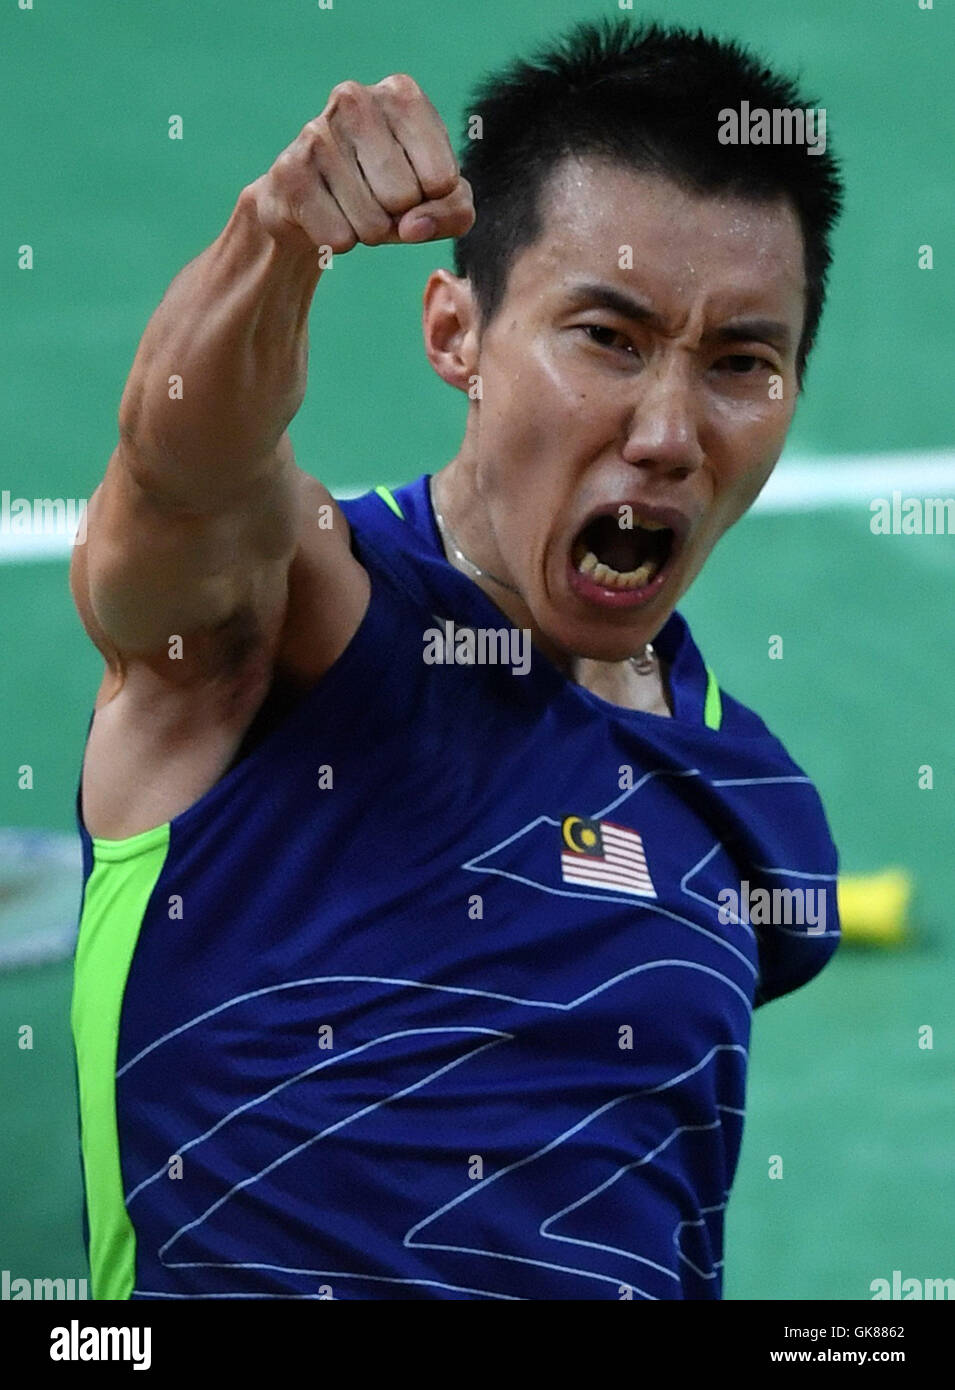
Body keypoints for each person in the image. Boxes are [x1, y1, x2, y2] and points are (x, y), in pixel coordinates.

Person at [69, 17, 844, 1300]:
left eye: (739, 363)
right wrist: (280, 238)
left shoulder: (759, 814)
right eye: (607, 335)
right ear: (456, 335)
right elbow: (180, 474)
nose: (664, 431)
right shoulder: (284, 622)